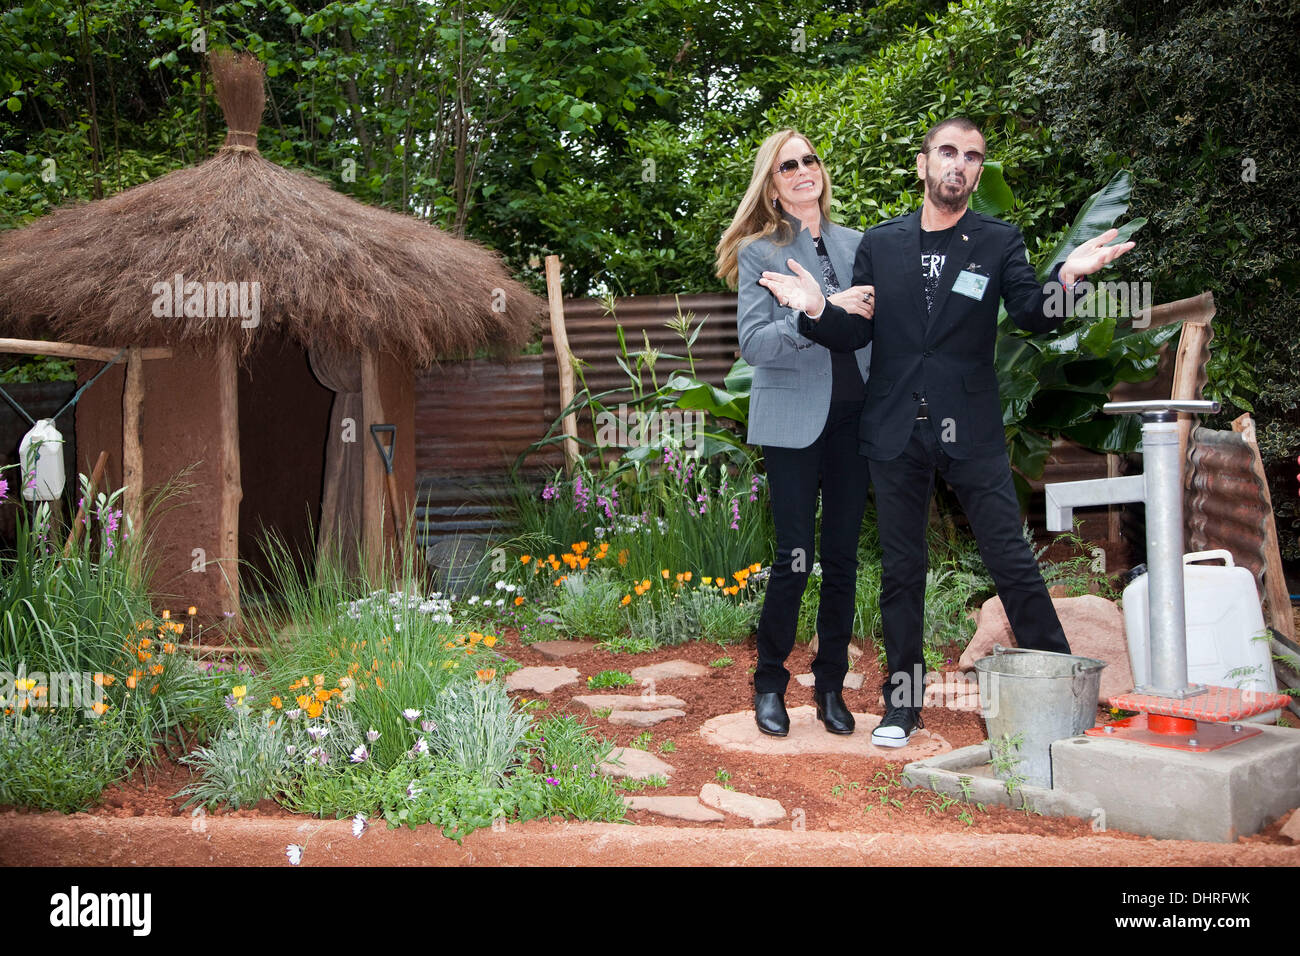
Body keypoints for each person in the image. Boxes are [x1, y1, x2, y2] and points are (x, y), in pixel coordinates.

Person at [757, 116, 1134, 747]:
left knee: (1012, 563)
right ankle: (903, 708)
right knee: (904, 570)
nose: (959, 165)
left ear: (978, 172)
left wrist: (1070, 278)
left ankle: (1065, 698)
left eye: (973, 157)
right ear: (924, 163)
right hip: (894, 430)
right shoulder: (881, 243)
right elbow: (858, 333)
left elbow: (1032, 314)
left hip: (973, 429)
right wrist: (819, 308)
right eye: (948, 152)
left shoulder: (997, 240)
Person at [716, 129, 876, 737]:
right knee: (793, 558)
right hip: (791, 422)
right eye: (789, 165)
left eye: (811, 159)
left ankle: (831, 687)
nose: (804, 170)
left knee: (840, 559)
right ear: (774, 186)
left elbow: (875, 331)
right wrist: (814, 310)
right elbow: (755, 347)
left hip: (854, 418)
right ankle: (769, 685)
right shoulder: (761, 252)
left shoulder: (860, 243)